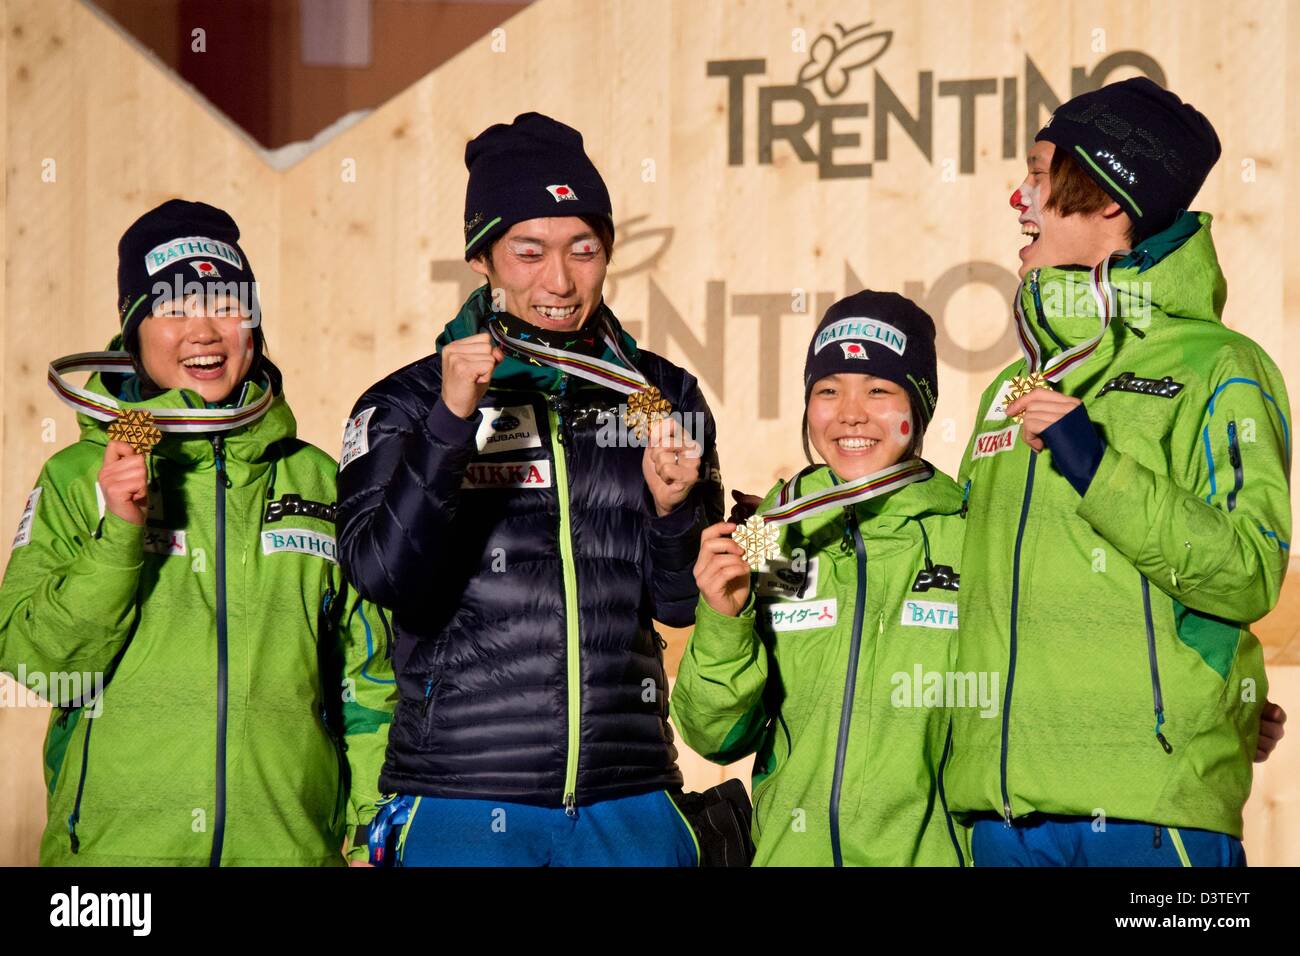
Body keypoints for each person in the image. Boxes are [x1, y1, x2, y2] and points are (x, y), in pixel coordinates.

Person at [334, 113, 725, 866]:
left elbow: (676, 604)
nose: (559, 280)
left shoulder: (659, 393)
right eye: (529, 251)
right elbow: (385, 575)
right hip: (462, 798)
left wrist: (672, 512)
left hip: (629, 797)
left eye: (584, 248)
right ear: (483, 257)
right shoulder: (405, 403)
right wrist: (451, 424)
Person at [947, 77, 1291, 866]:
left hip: (1149, 810)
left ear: (1107, 199)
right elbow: (958, 574)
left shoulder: (1222, 367)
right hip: (1001, 816)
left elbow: (1245, 571)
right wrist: (782, 550)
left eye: (1038, 173)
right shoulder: (1016, 387)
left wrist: (1095, 465)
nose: (1016, 196)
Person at [0, 200, 395, 866]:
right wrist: (118, 536)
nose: (204, 332)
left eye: (226, 305)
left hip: (287, 852)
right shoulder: (76, 477)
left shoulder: (317, 479)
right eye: (175, 309)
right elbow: (37, 667)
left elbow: (367, 680)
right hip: (118, 864)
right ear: (133, 332)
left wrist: (370, 833)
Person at [672, 290, 971, 866]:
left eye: (879, 391)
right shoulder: (769, 534)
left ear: (921, 404)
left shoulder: (971, 533)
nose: (850, 413)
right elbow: (716, 736)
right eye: (828, 390)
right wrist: (724, 618)